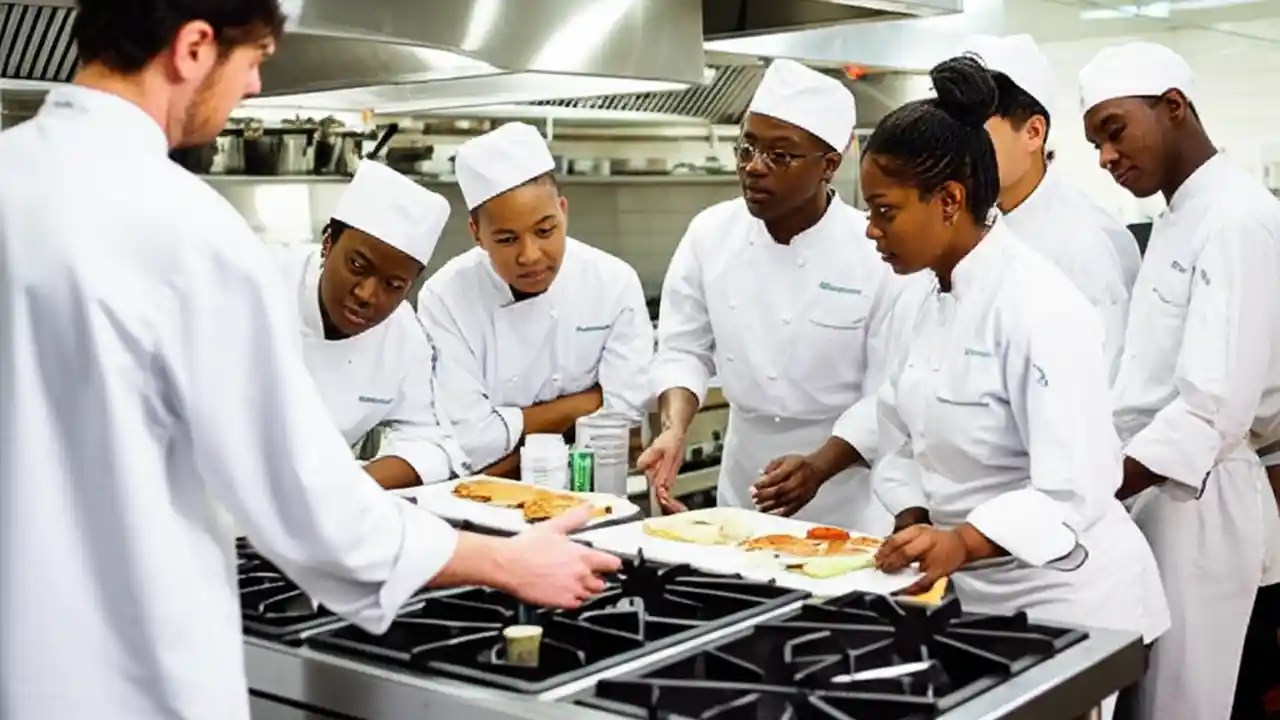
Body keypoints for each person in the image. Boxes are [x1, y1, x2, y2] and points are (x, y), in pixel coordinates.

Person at [0, 3, 620, 719]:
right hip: (118, 670)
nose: (257, 86)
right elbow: (304, 500)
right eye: (256, 58)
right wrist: (500, 560)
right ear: (195, 47)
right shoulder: (188, 232)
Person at [864, 56, 1169, 720]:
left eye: (884, 212)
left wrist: (964, 541)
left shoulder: (1037, 304)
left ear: (947, 201)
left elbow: (1077, 482)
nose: (870, 230)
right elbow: (898, 437)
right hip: (977, 595)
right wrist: (915, 518)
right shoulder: (922, 301)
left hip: (1068, 596)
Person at [1079, 41, 1280, 720]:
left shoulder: (1236, 219)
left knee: (1189, 705)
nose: (1106, 156)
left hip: (1204, 505)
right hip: (1152, 497)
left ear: (1173, 108)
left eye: (1114, 130)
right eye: (1097, 142)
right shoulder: (1175, 217)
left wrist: (1091, 487)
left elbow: (1211, 409)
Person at [640, 59, 902, 531]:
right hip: (744, 481)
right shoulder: (710, 234)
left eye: (779, 155)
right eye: (747, 148)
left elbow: (888, 392)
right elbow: (683, 349)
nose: (754, 168)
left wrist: (819, 466)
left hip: (848, 490)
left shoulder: (875, 249)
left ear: (829, 166)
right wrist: (674, 427)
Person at [419, 122, 653, 477]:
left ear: (563, 210)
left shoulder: (612, 282)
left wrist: (509, 429)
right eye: (507, 239)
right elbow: (469, 439)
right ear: (476, 234)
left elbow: (626, 411)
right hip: (485, 498)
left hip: (588, 487)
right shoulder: (446, 297)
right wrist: (586, 402)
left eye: (545, 231)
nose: (530, 255)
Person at [274, 159, 468, 489]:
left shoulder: (405, 336)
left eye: (393, 285)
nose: (367, 295)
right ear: (327, 244)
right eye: (357, 266)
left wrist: (347, 490)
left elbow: (431, 444)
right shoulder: (259, 287)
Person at [962, 34, 1140, 380]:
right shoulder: (972, 224)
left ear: (1032, 132)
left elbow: (1098, 389)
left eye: (975, 132)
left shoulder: (1085, 243)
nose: (959, 149)